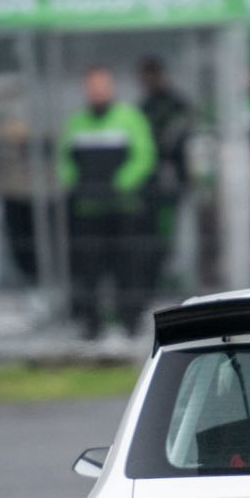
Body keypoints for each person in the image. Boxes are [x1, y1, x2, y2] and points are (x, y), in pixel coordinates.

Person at [59, 65, 157, 339]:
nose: (97, 92)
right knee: (88, 269)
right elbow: (65, 162)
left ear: (111, 88)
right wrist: (77, 184)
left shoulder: (129, 118)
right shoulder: (76, 122)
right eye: (92, 87)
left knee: (127, 267)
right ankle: (91, 323)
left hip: (123, 208)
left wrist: (120, 184)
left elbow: (144, 156)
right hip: (88, 209)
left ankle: (129, 321)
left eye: (102, 86)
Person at [138, 55, 193, 280]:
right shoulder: (143, 108)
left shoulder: (177, 105)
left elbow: (184, 137)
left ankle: (172, 273)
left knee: (176, 230)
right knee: (155, 232)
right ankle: (158, 273)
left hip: (176, 178)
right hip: (151, 181)